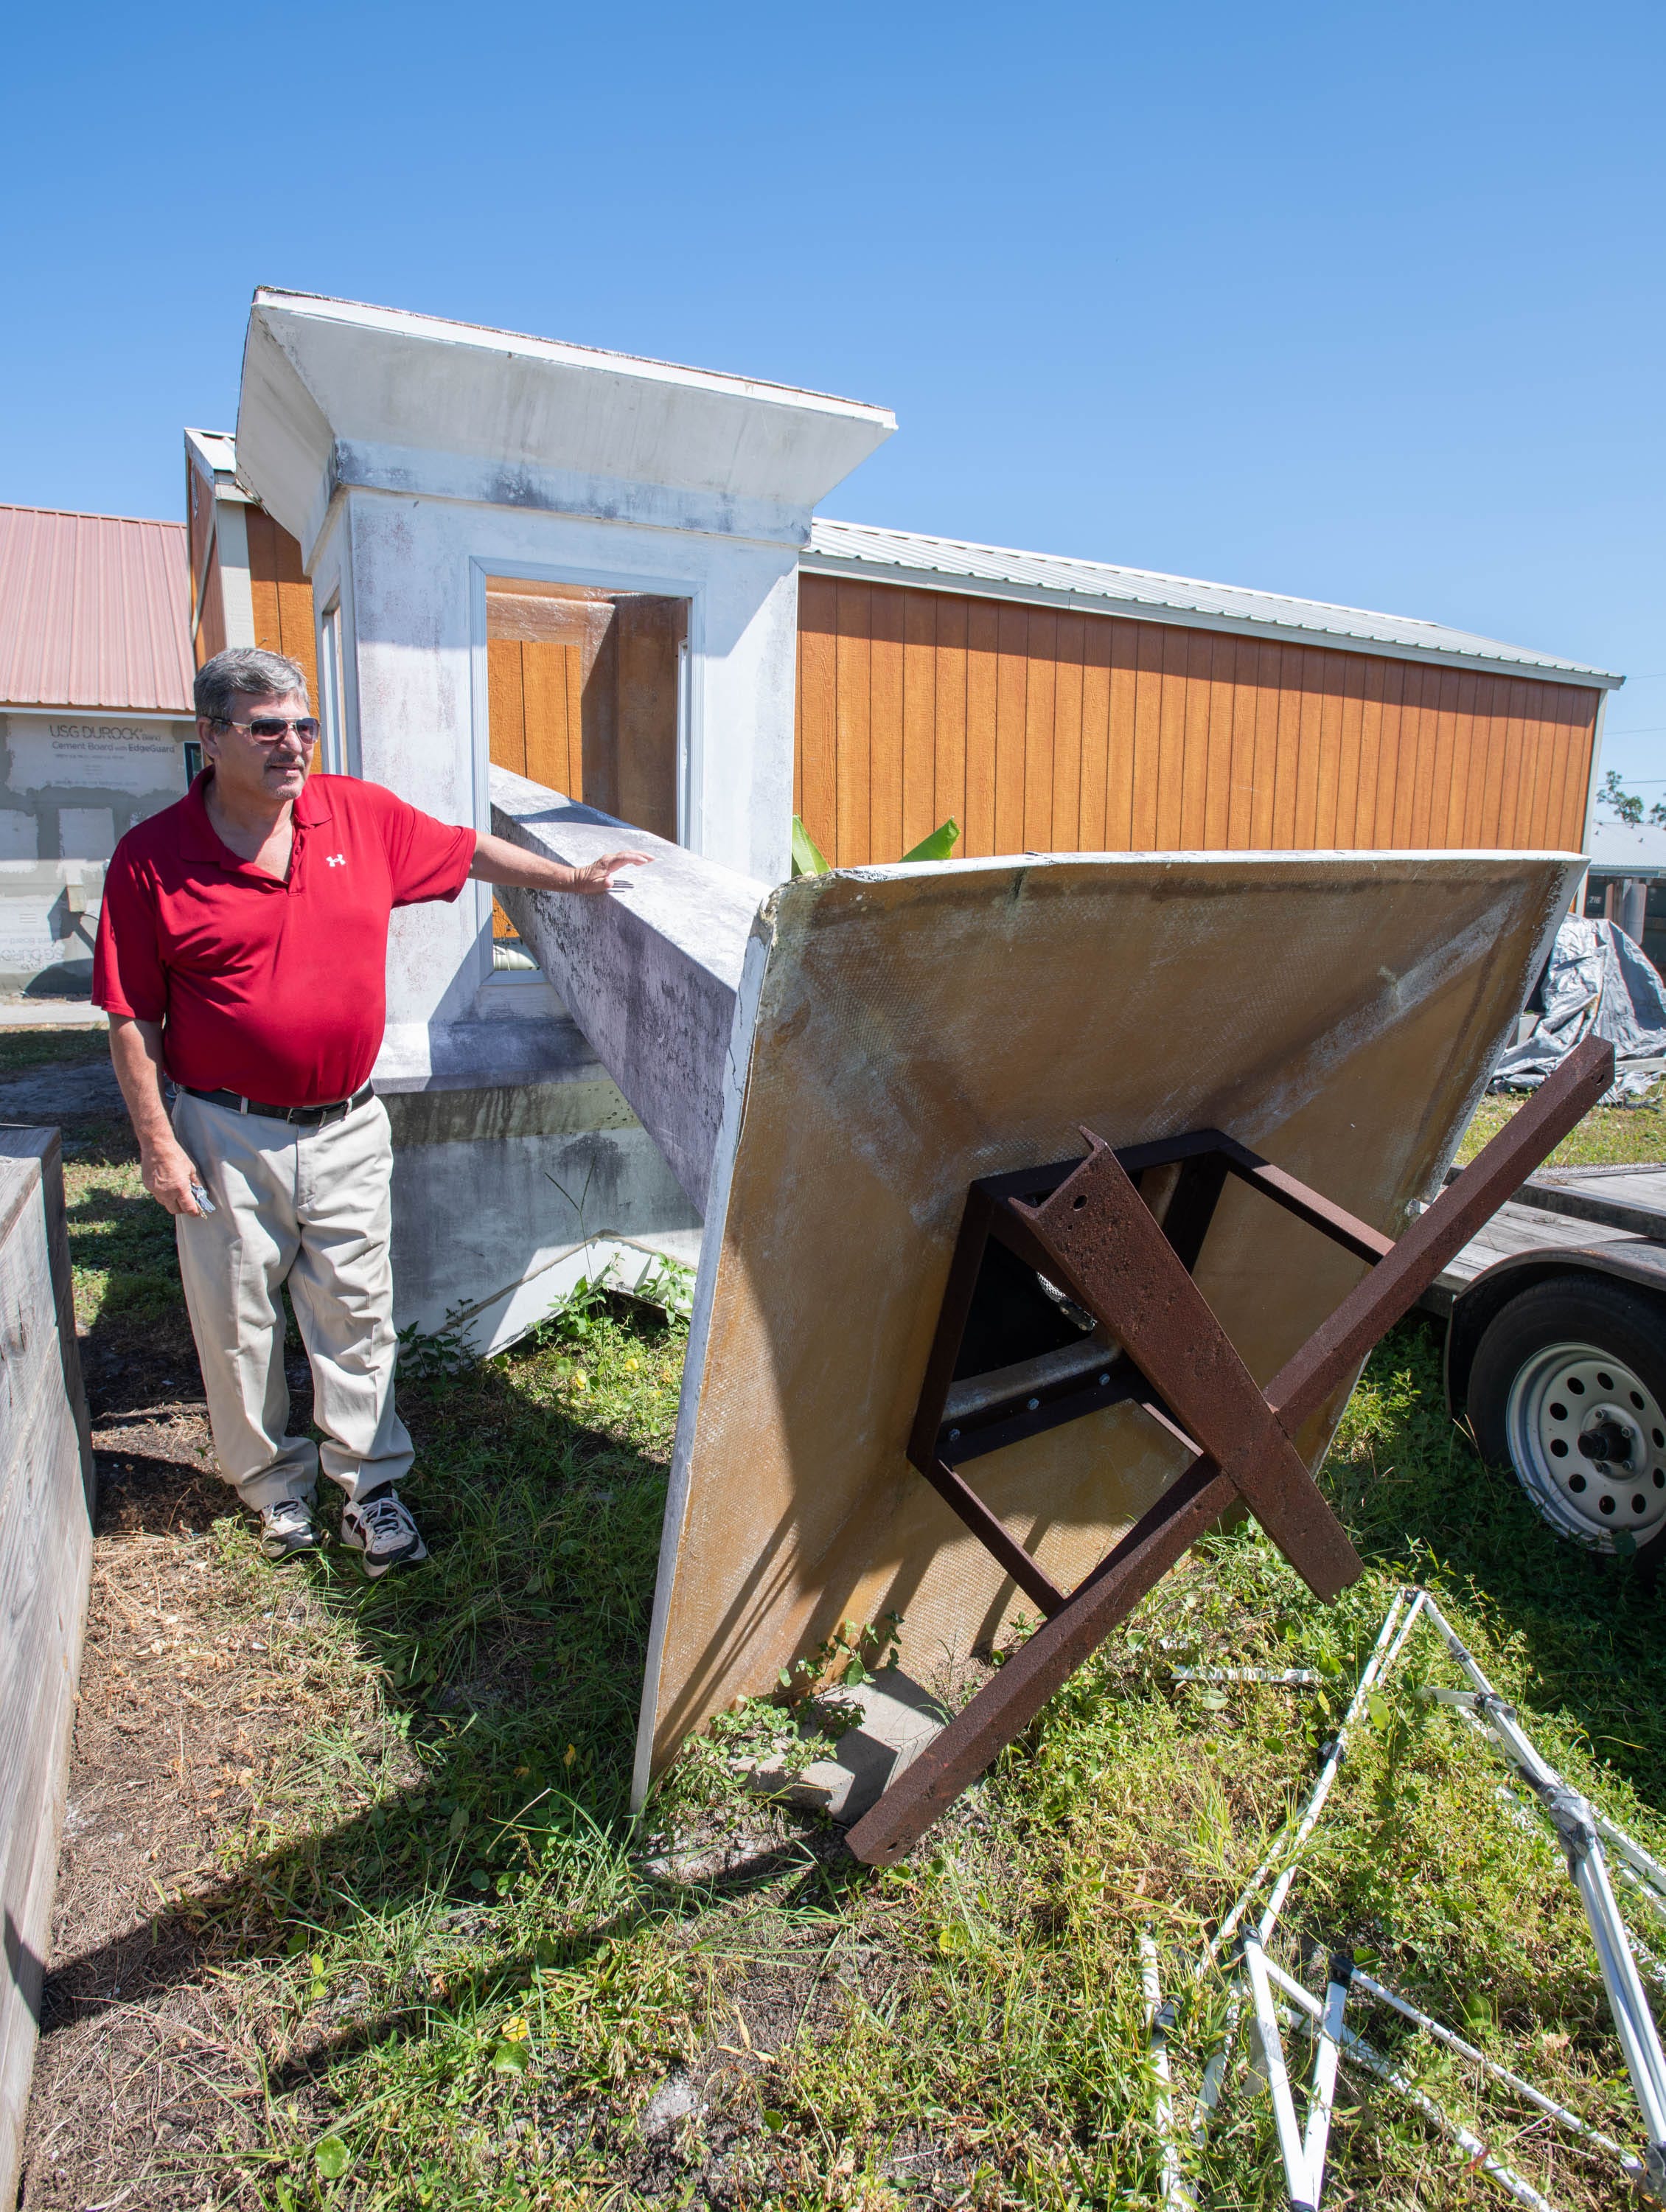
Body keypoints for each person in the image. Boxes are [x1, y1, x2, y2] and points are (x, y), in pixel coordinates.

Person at [93, 644, 647, 1576]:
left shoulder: (356, 814)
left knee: (358, 1312)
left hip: (348, 1123)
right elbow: (130, 1014)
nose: (293, 744)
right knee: (236, 1322)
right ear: (210, 737)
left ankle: (369, 1487)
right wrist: (157, 1144)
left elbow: (466, 851)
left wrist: (576, 881)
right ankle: (272, 1487)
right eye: (267, 728)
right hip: (226, 1131)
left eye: (303, 726)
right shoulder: (152, 859)